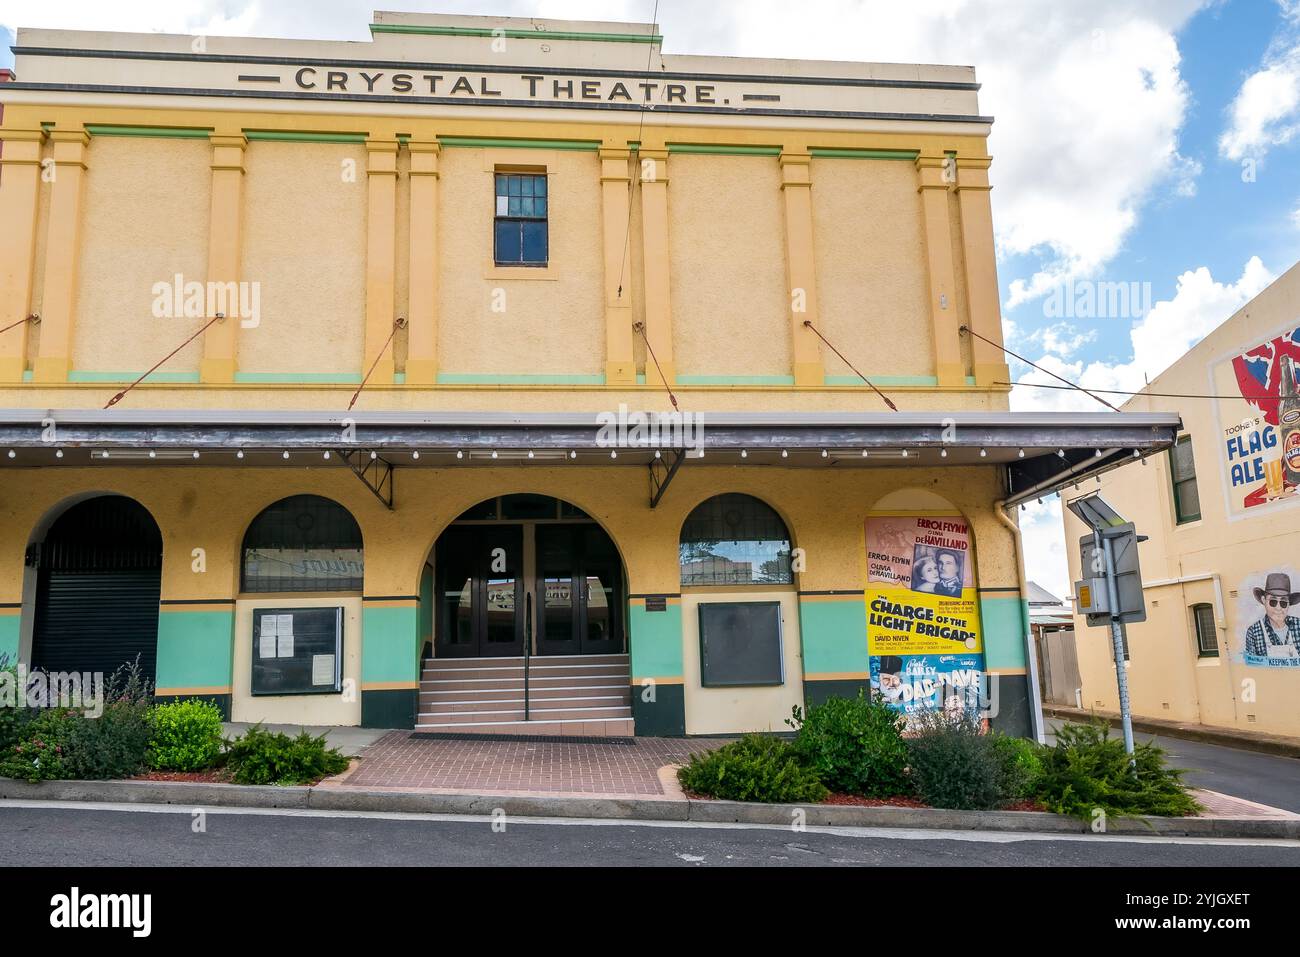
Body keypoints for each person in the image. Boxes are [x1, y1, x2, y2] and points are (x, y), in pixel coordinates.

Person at [1245, 573, 1300, 659]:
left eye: (1283, 603)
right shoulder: (1254, 632)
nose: (1278, 608)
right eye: (1273, 601)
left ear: (1289, 604)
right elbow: (1253, 666)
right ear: (1264, 600)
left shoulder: (1298, 625)